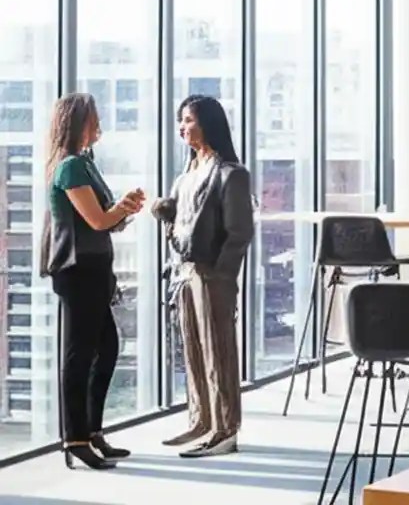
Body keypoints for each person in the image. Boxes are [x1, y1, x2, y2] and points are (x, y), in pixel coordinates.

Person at [41, 93, 145, 470]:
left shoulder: (85, 163)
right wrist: (119, 209)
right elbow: (98, 220)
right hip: (78, 271)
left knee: (107, 349)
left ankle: (92, 431)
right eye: (93, 118)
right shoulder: (69, 166)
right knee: (80, 355)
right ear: (76, 123)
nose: (98, 124)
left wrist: (124, 210)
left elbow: (104, 221)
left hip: (96, 268)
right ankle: (76, 438)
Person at [153, 95, 254, 458]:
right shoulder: (185, 176)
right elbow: (182, 222)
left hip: (212, 274)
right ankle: (202, 420)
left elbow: (240, 233)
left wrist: (222, 276)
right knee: (194, 350)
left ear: (209, 123)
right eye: (180, 120)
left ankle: (225, 429)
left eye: (189, 120)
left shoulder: (231, 174)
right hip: (184, 271)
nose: (182, 127)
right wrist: (165, 212)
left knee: (218, 351)